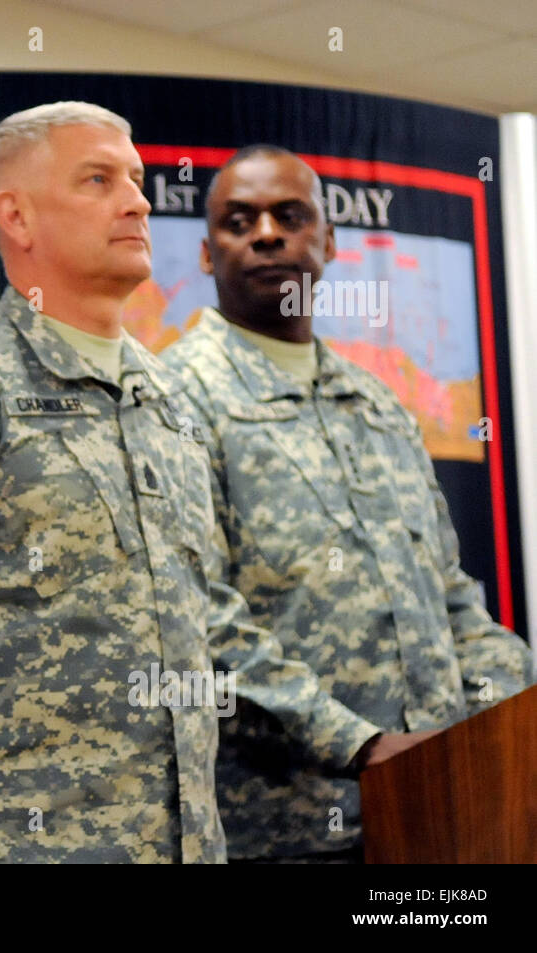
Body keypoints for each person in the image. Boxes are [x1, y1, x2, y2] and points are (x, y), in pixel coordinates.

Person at [0, 104, 377, 863]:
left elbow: (199, 614)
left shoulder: (169, 399)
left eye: (138, 181)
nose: (139, 201)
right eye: (99, 179)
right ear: (17, 214)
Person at [162, 145, 533, 862]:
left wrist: (501, 719)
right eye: (239, 222)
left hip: (446, 808)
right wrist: (361, 744)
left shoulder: (379, 404)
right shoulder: (175, 399)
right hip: (288, 826)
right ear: (207, 255)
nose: (267, 234)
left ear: (328, 243)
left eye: (290, 216)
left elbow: (452, 596)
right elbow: (198, 621)